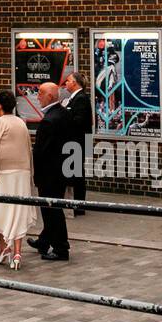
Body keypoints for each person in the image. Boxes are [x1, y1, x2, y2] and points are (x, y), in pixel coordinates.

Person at [0, 89, 36, 270]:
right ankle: (17, 252)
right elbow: (28, 149)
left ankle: (4, 248)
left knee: (2, 209)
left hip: (4, 173)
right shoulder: (21, 123)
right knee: (18, 210)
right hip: (22, 172)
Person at [28, 82, 71, 261]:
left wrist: (34, 174)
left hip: (49, 174)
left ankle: (61, 248)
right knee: (53, 209)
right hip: (62, 171)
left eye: (41, 93)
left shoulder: (48, 121)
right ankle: (44, 241)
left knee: (51, 210)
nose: (38, 97)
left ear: (51, 96)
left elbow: (40, 152)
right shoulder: (64, 114)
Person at [62, 72, 92, 215]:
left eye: (68, 81)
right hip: (77, 142)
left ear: (74, 83)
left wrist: (64, 115)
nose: (65, 83)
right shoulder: (76, 98)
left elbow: (78, 121)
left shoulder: (80, 99)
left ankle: (78, 205)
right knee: (75, 173)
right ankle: (77, 204)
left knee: (76, 174)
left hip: (77, 142)